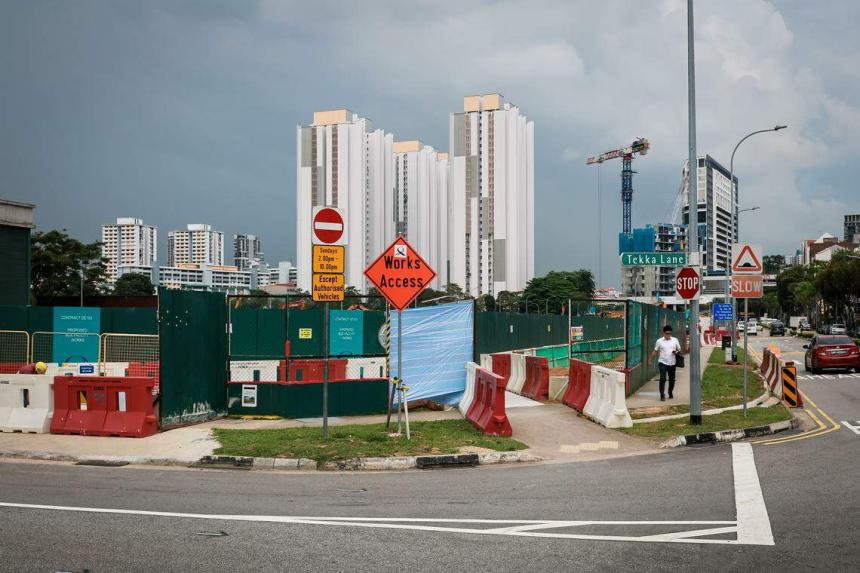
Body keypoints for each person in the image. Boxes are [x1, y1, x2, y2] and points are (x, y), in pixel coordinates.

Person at [651, 325, 682, 401]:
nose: (668, 335)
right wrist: (650, 359)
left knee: (672, 379)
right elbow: (655, 350)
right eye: (667, 333)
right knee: (663, 379)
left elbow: (679, 349)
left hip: (672, 363)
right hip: (662, 363)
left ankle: (670, 392)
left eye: (670, 333)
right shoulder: (659, 341)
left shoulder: (675, 340)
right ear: (663, 333)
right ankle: (662, 395)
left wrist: (676, 352)